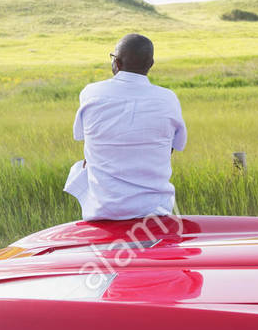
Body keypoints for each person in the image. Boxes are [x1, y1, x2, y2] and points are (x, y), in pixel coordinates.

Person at [63, 33, 187, 221]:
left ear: (117, 63)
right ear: (151, 64)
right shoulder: (168, 98)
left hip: (102, 210)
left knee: (83, 164)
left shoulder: (91, 93)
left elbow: (83, 138)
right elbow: (173, 147)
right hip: (155, 209)